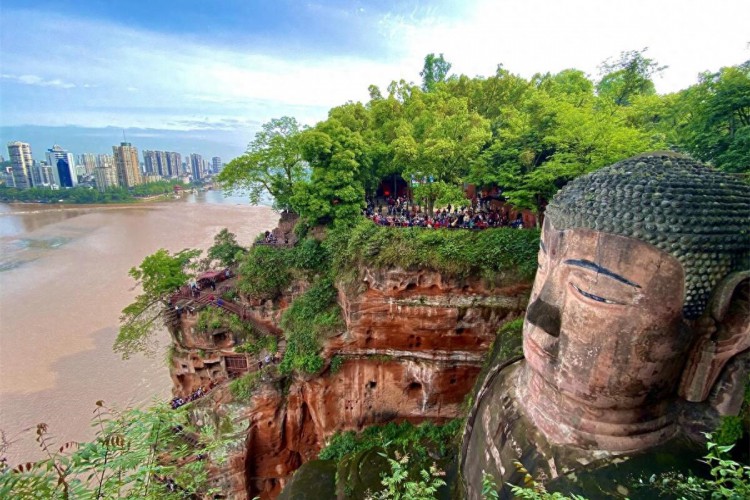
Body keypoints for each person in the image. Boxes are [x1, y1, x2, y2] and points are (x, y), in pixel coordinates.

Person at [461, 152, 750, 498]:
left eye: (590, 292)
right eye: (542, 264)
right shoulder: (505, 366)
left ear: (732, 323)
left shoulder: (665, 486)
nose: (538, 316)